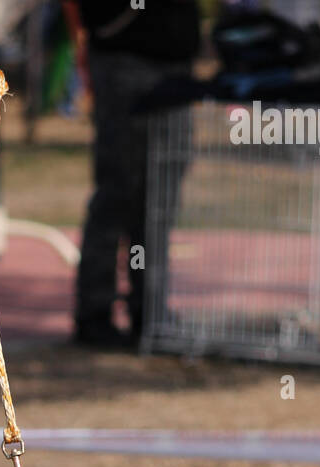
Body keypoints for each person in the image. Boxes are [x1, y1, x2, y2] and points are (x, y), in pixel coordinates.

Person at [74, 0, 200, 348]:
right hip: (124, 61)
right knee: (119, 189)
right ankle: (95, 314)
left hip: (176, 67)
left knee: (160, 196)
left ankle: (150, 311)